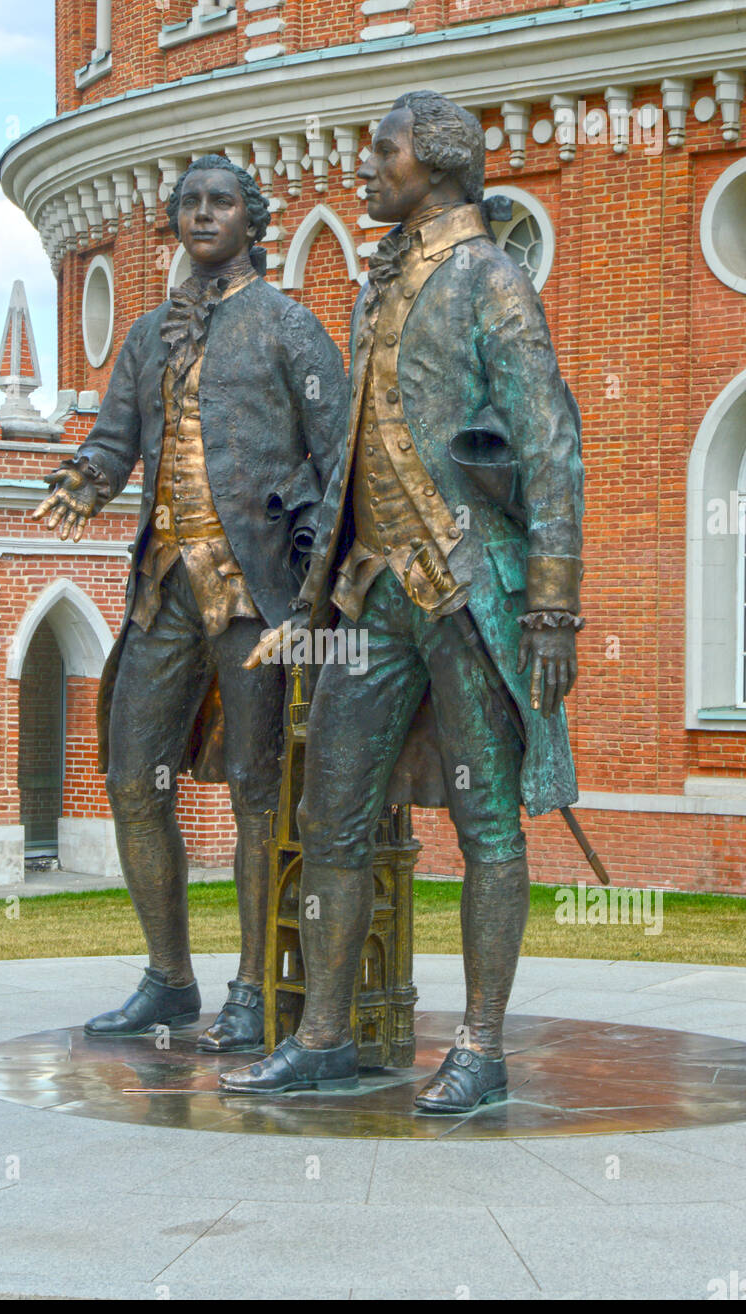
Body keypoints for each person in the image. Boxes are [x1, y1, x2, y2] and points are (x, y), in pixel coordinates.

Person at [221, 93, 584, 1111]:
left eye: (384, 151)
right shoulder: (375, 288)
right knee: (330, 810)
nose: (366, 167)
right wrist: (308, 600)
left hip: (467, 594)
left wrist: (553, 608)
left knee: (488, 824)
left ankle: (480, 1047)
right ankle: (325, 1035)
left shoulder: (491, 279)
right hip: (370, 593)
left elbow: (551, 443)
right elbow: (350, 460)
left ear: (440, 164)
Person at [33, 155, 347, 1052]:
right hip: (164, 588)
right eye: (189, 205)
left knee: (257, 793)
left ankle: (252, 989)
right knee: (133, 777)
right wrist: (85, 483)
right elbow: (112, 443)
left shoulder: (289, 327)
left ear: (252, 219)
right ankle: (169, 979)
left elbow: (336, 466)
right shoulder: (147, 336)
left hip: (257, 599)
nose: (202, 216)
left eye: (220, 203)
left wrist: (315, 596)